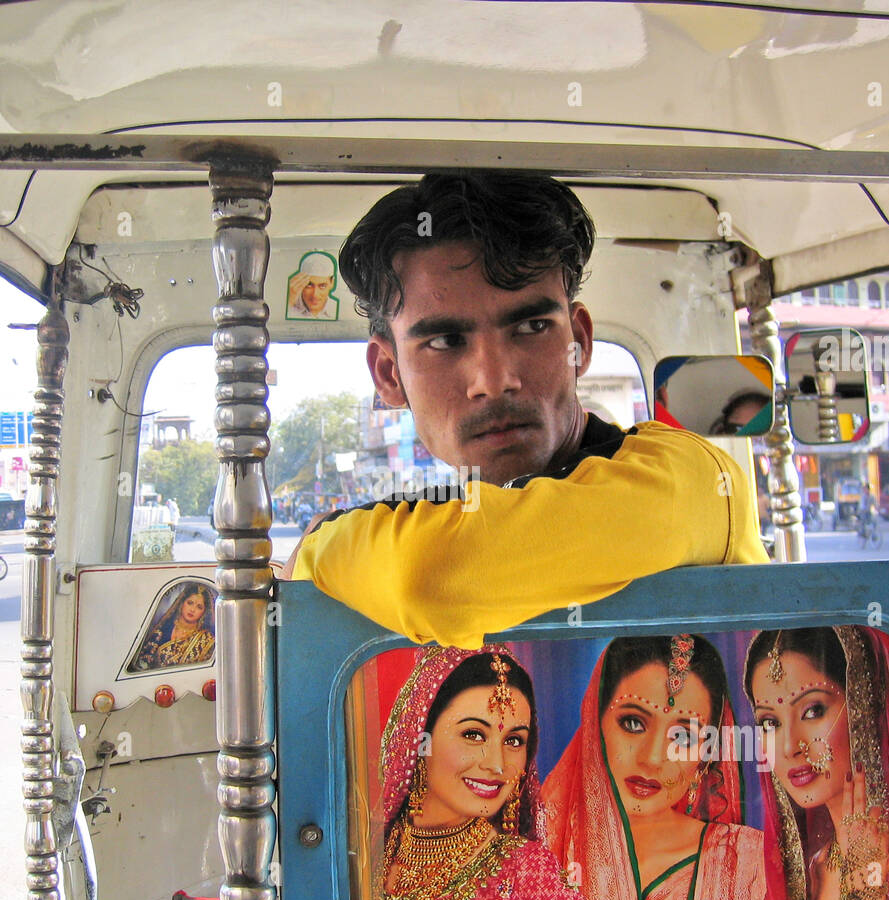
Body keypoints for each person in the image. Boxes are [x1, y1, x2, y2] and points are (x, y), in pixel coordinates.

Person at [287, 172, 769, 647]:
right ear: (390, 375)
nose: (495, 381)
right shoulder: (437, 520)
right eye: (446, 341)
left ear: (578, 341)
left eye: (532, 327)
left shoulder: (696, 480)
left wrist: (317, 544)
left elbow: (430, 579)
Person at [377, 644, 615, 900]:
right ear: (420, 739)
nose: (497, 764)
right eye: (474, 735)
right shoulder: (370, 850)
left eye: (514, 740)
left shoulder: (523, 870)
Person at [543, 635, 766, 900]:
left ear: (705, 758)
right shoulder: (540, 855)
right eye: (633, 723)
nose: (652, 758)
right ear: (595, 723)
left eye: (683, 738)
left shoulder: (752, 862)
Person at [744, 626, 889, 900]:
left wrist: (867, 894)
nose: (789, 747)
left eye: (812, 711)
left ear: (862, 706)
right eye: (769, 723)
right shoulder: (814, 863)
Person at [129, 582, 216, 671]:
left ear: (204, 613)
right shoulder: (160, 632)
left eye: (199, 607)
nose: (192, 609)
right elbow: (143, 666)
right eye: (190, 603)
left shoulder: (207, 640)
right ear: (182, 603)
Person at [286, 250, 339, 320]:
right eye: (309, 286)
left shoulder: (341, 310)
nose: (315, 294)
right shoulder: (289, 308)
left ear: (332, 283)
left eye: (322, 286)